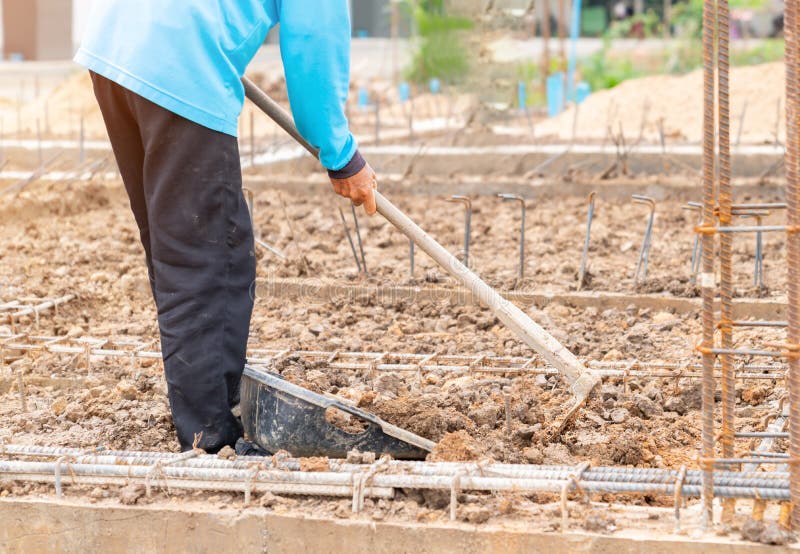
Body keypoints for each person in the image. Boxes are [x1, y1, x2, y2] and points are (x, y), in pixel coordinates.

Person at [75, 1, 378, 454]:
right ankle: (209, 438)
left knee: (177, 246)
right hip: (180, 60)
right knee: (210, 260)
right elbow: (314, 44)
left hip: (117, 48)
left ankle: (211, 402)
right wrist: (341, 155)